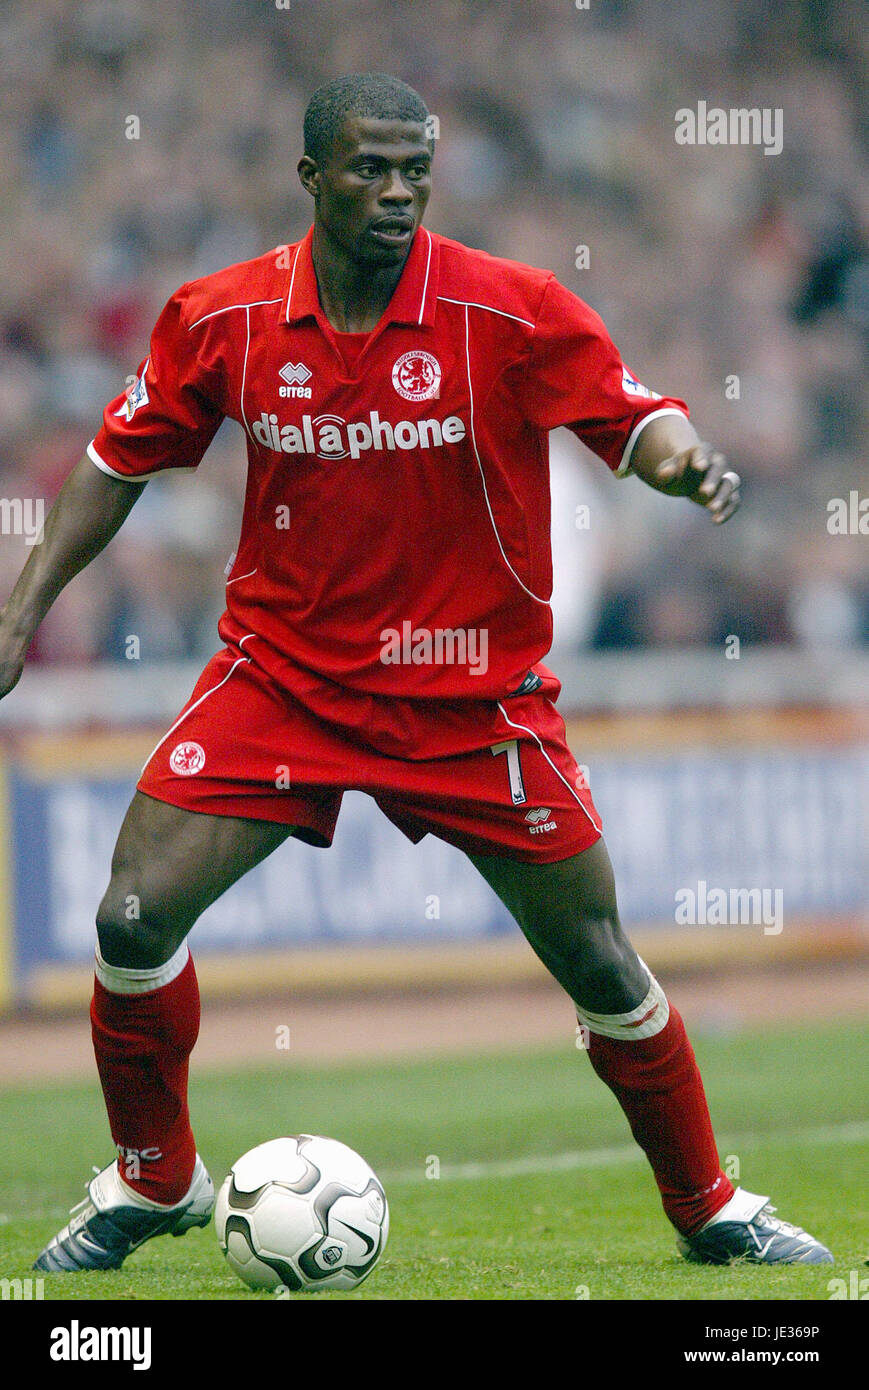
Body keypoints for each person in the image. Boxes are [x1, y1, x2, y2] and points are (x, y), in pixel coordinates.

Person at [0, 73, 830, 1274]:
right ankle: (154, 1177)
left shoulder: (511, 309)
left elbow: (632, 416)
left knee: (598, 958)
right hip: (281, 679)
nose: (396, 193)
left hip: (471, 698)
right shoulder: (221, 318)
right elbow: (114, 459)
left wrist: (682, 458)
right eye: (369, 170)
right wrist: (24, 610)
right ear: (310, 179)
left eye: (414, 172)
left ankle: (709, 1208)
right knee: (131, 914)